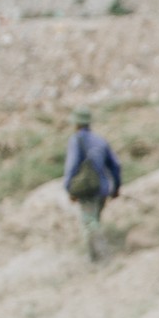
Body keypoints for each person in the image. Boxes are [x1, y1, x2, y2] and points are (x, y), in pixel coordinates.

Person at [63, 106, 122, 261]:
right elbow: (115, 165)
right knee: (95, 220)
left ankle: (102, 258)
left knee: (89, 223)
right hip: (103, 189)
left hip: (87, 189)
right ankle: (95, 258)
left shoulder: (76, 140)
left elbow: (72, 166)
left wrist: (69, 188)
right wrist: (116, 187)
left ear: (76, 124)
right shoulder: (100, 140)